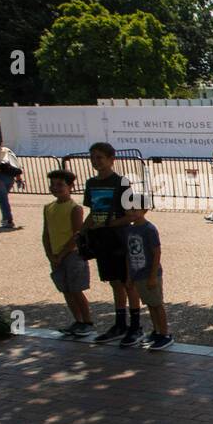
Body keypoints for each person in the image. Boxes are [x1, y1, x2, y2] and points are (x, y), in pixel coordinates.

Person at [79, 142, 143, 346]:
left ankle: (135, 326)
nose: (96, 161)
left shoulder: (121, 182)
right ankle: (120, 323)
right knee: (114, 282)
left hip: (119, 237)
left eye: (100, 157)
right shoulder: (91, 183)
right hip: (101, 238)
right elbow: (92, 211)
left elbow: (131, 215)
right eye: (93, 157)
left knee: (128, 282)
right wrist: (81, 231)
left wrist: (111, 223)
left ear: (111, 159)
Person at [41, 169, 93, 337]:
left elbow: (76, 234)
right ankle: (77, 320)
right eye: (53, 184)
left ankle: (87, 321)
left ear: (70, 186)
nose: (55, 188)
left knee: (76, 289)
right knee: (66, 290)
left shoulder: (75, 208)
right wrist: (50, 254)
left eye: (60, 185)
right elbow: (46, 233)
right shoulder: (48, 207)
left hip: (72, 254)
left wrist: (62, 254)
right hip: (56, 254)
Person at [122, 203, 173, 350]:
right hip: (137, 272)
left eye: (135, 209)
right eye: (129, 209)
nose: (131, 212)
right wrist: (129, 275)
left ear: (144, 210)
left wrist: (152, 276)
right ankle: (157, 330)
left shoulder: (149, 229)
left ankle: (164, 333)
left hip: (149, 272)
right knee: (150, 304)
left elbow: (156, 252)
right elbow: (128, 254)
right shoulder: (130, 229)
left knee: (157, 303)